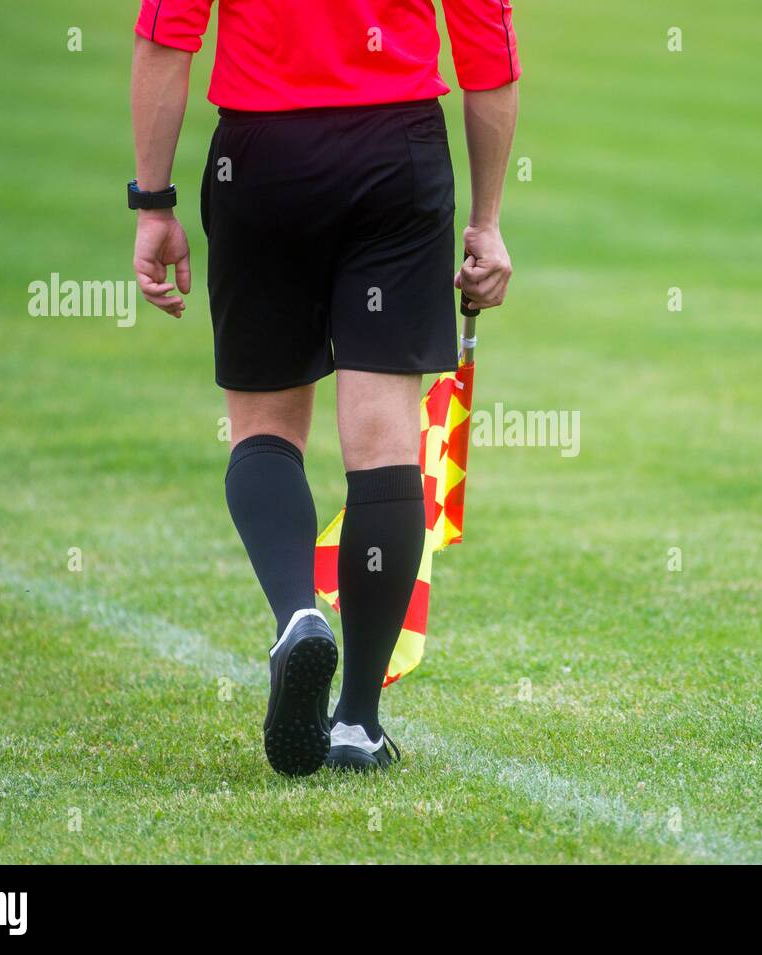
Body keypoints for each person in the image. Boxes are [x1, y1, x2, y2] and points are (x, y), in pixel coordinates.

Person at [128, 1, 519, 775]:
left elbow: (166, 37)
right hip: (397, 155)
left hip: (261, 156)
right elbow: (489, 51)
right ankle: (358, 723)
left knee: (264, 427)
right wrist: (487, 220)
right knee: (383, 443)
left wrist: (154, 203)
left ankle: (299, 616)